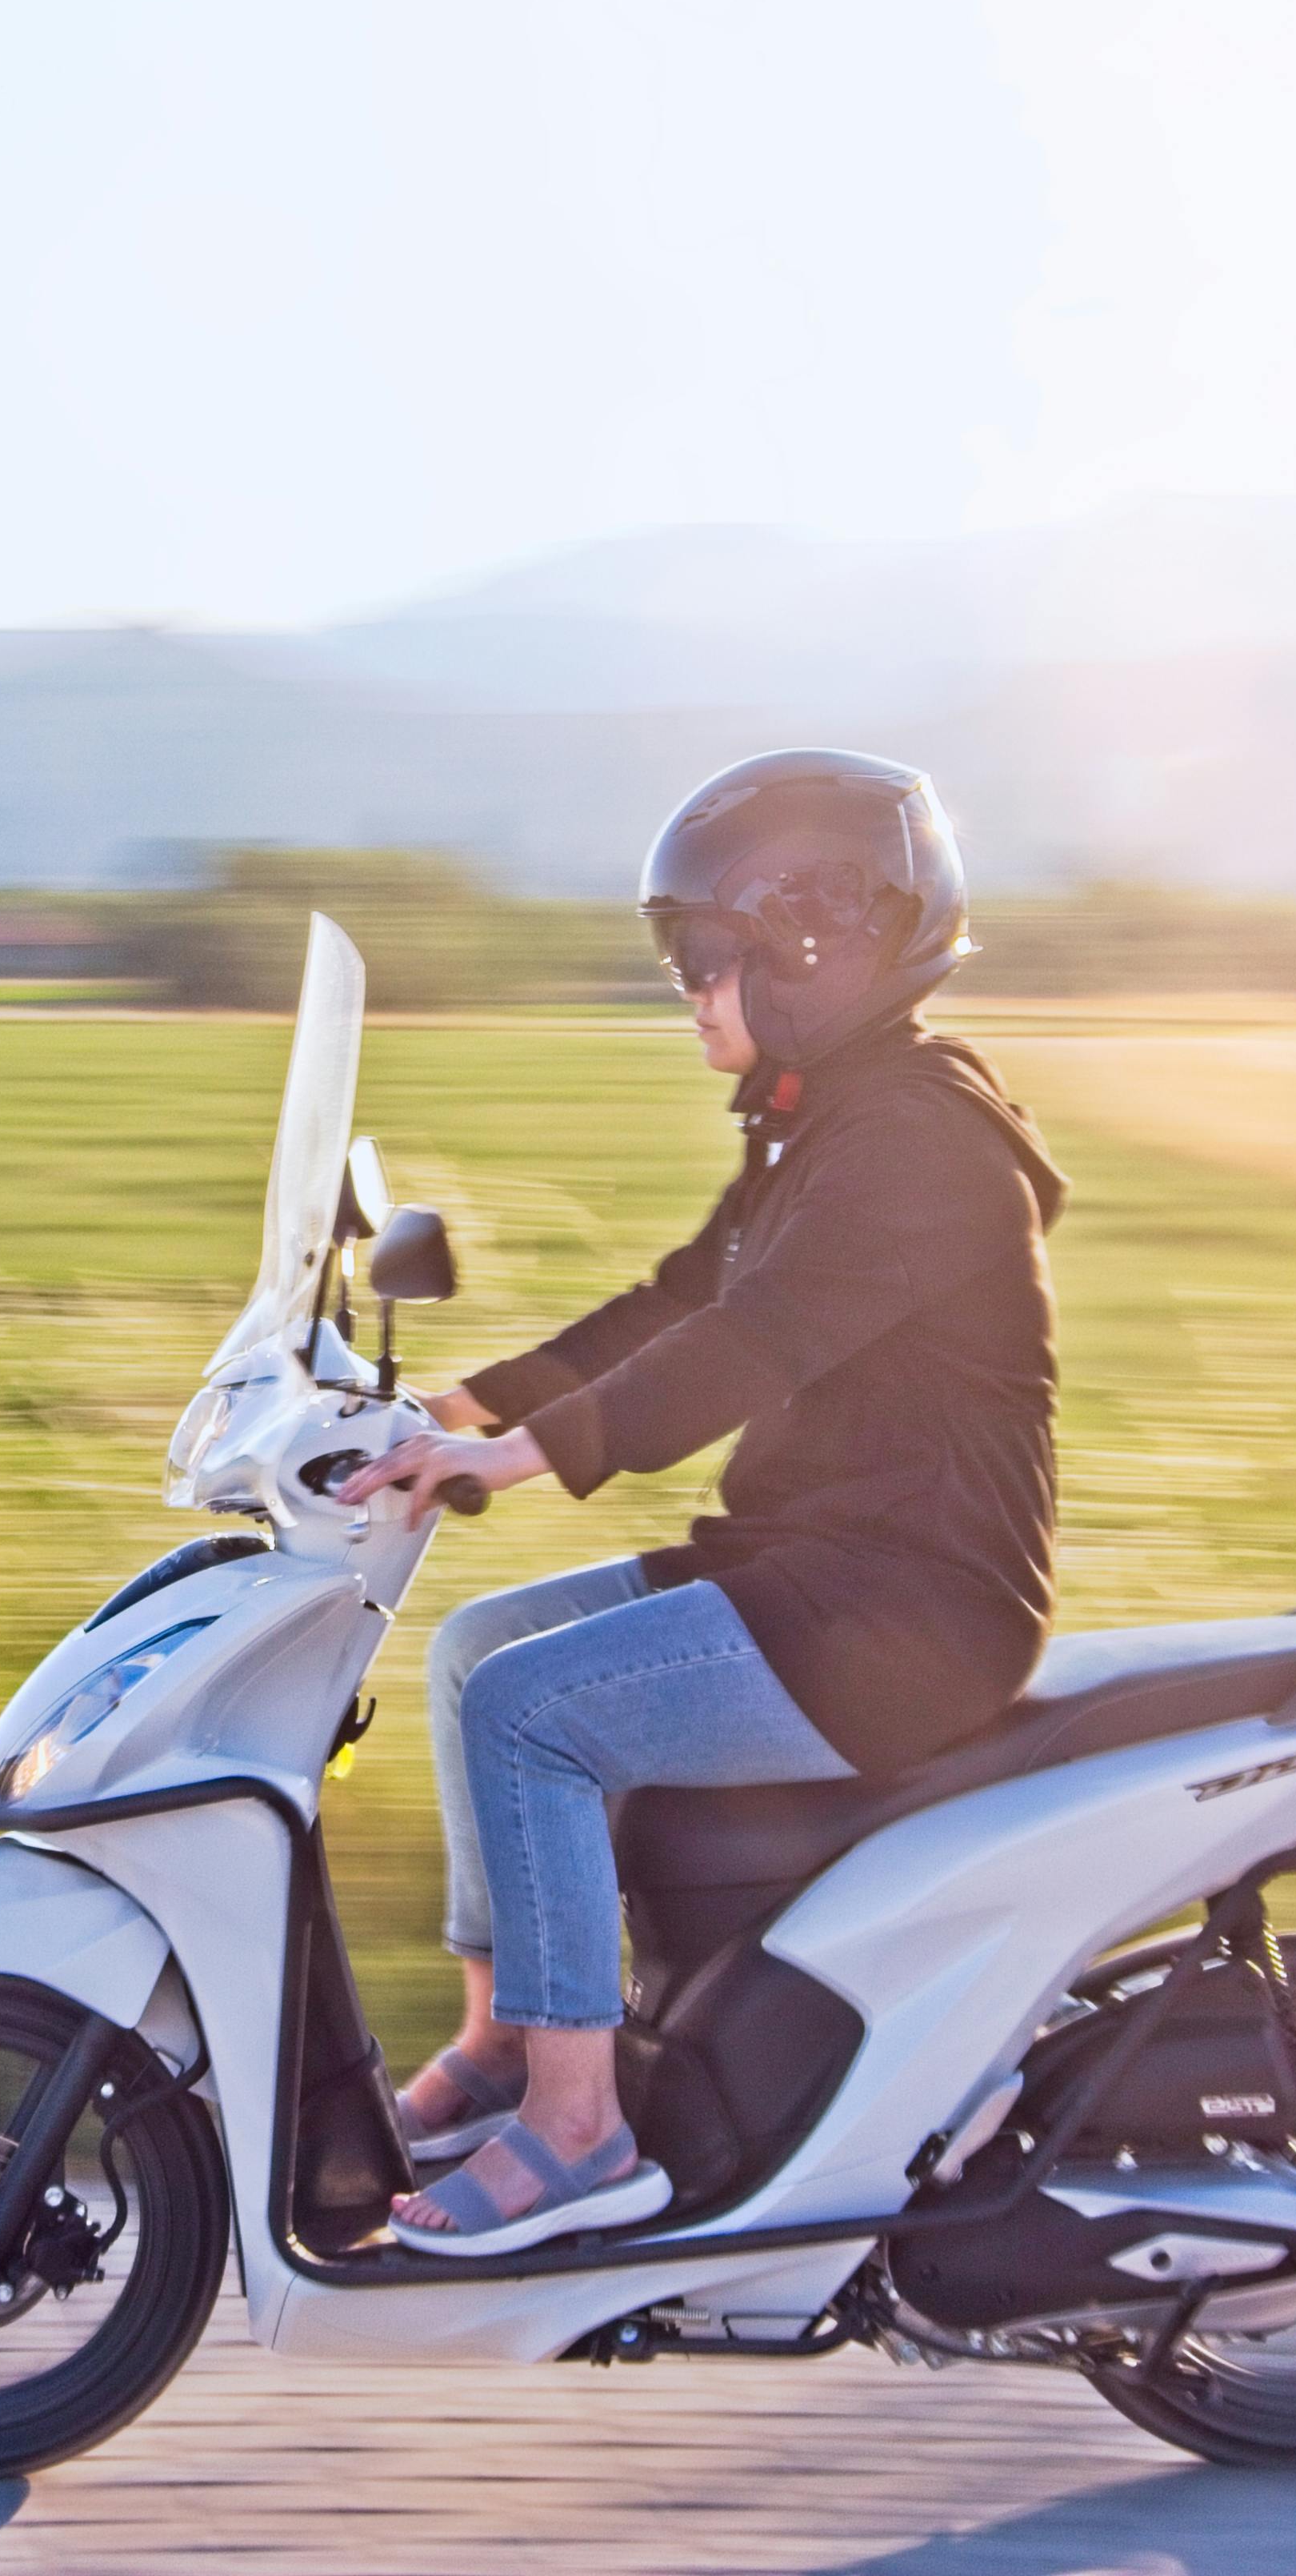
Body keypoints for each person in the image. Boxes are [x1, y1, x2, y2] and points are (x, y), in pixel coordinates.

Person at [332, 750, 1070, 2255]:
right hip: (812, 1572)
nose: (686, 989)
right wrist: (456, 1408)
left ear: (815, 954)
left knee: (530, 1713)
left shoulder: (919, 1144)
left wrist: (520, 1461)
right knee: (481, 1651)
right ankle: (501, 2046)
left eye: (705, 959)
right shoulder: (828, 1114)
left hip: (904, 1612)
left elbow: (745, 1348)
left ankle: (578, 2133)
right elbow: (685, 1295)